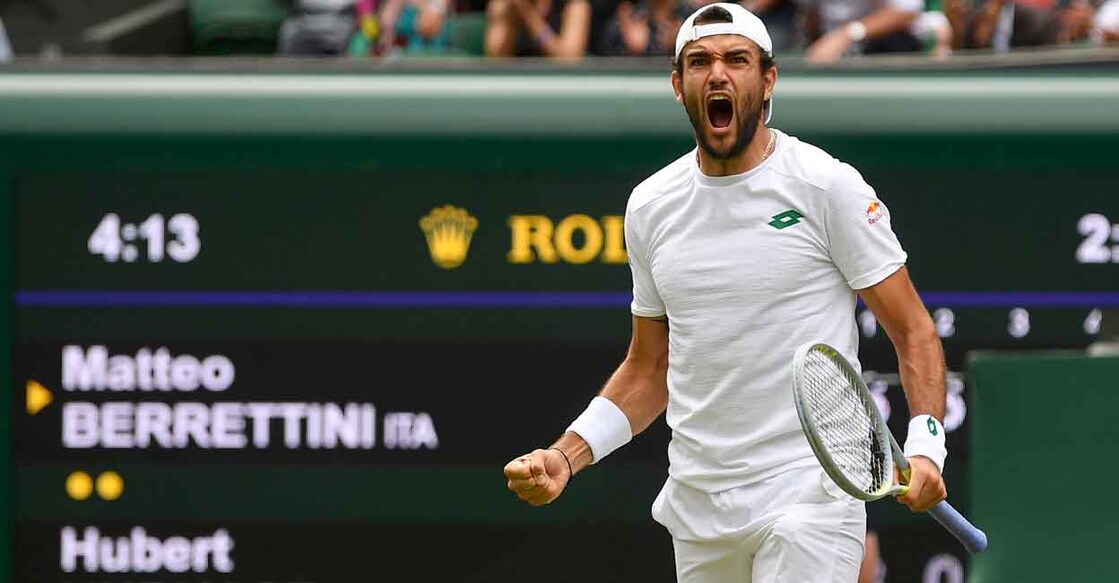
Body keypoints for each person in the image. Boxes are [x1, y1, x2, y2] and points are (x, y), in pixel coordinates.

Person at [502, 3, 949, 581]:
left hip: (808, 500)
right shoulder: (650, 207)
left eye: (737, 60)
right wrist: (567, 455)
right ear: (677, 84)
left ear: (767, 81)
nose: (718, 74)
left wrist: (927, 445)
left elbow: (913, 329)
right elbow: (649, 367)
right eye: (700, 62)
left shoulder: (826, 186)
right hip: (699, 508)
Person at [798, 0, 927, 63]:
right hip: (827, 53)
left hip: (879, 53)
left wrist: (849, 33)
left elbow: (907, 11)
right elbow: (811, 16)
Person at [484, 0, 593, 59]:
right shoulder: (507, 5)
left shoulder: (576, 6)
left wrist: (529, 17)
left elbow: (569, 59)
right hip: (517, 83)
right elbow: (496, 57)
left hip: (558, 84)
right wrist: (505, 18)